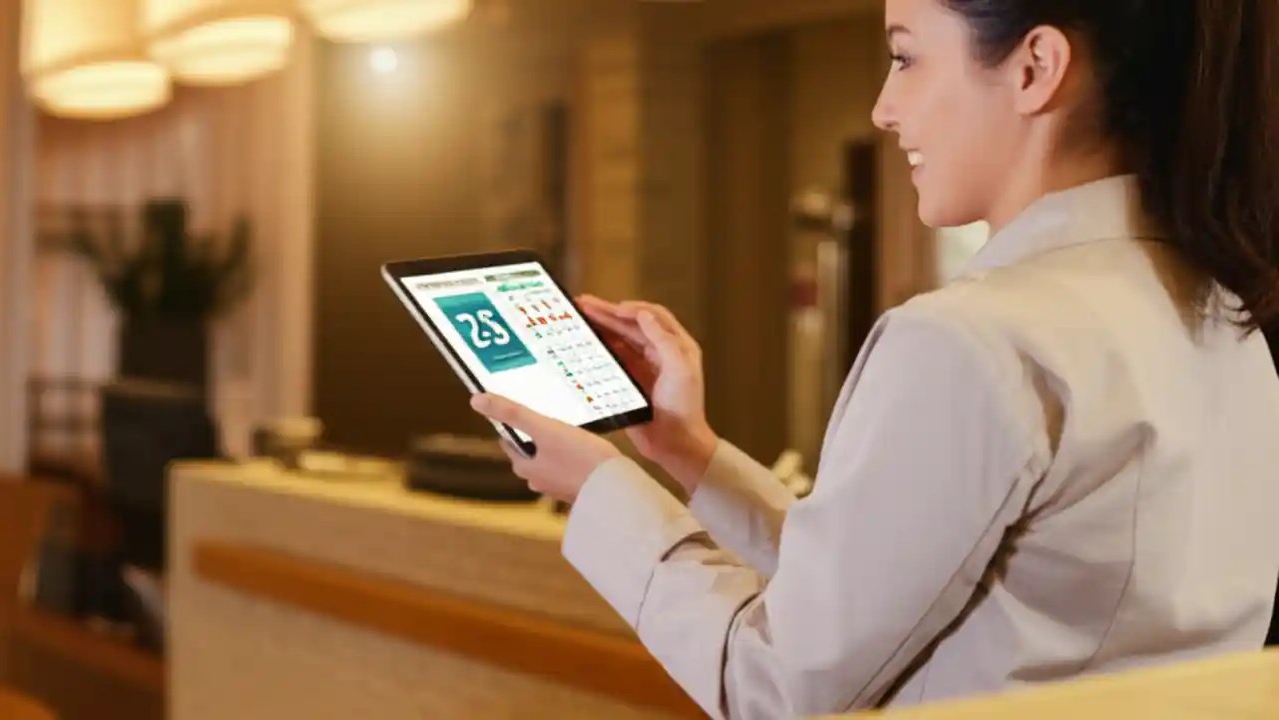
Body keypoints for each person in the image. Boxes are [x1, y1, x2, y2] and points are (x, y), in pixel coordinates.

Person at [471, 0, 1279, 716]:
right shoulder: (1218, 314)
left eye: (905, 56)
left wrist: (597, 485)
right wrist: (690, 454)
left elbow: (774, 687)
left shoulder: (971, 340)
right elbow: (895, 575)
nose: (884, 109)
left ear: (1035, 67)